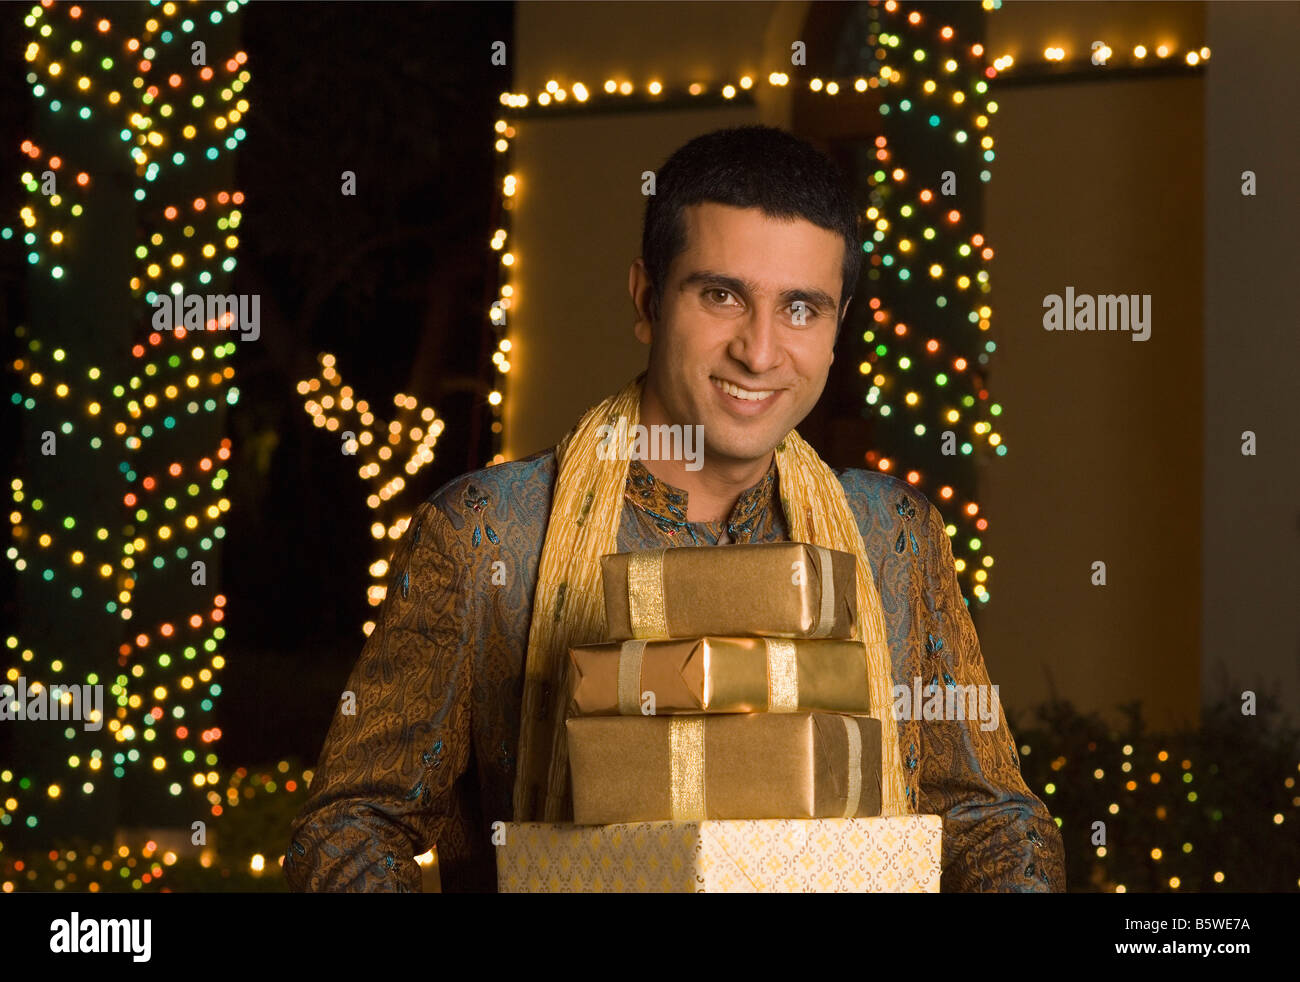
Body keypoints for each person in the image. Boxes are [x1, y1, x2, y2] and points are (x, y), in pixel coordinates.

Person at [285, 125, 1066, 893]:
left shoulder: (891, 536)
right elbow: (352, 826)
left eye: (801, 308)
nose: (760, 352)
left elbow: (992, 820)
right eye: (722, 295)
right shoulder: (491, 533)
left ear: (837, 329)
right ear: (648, 299)